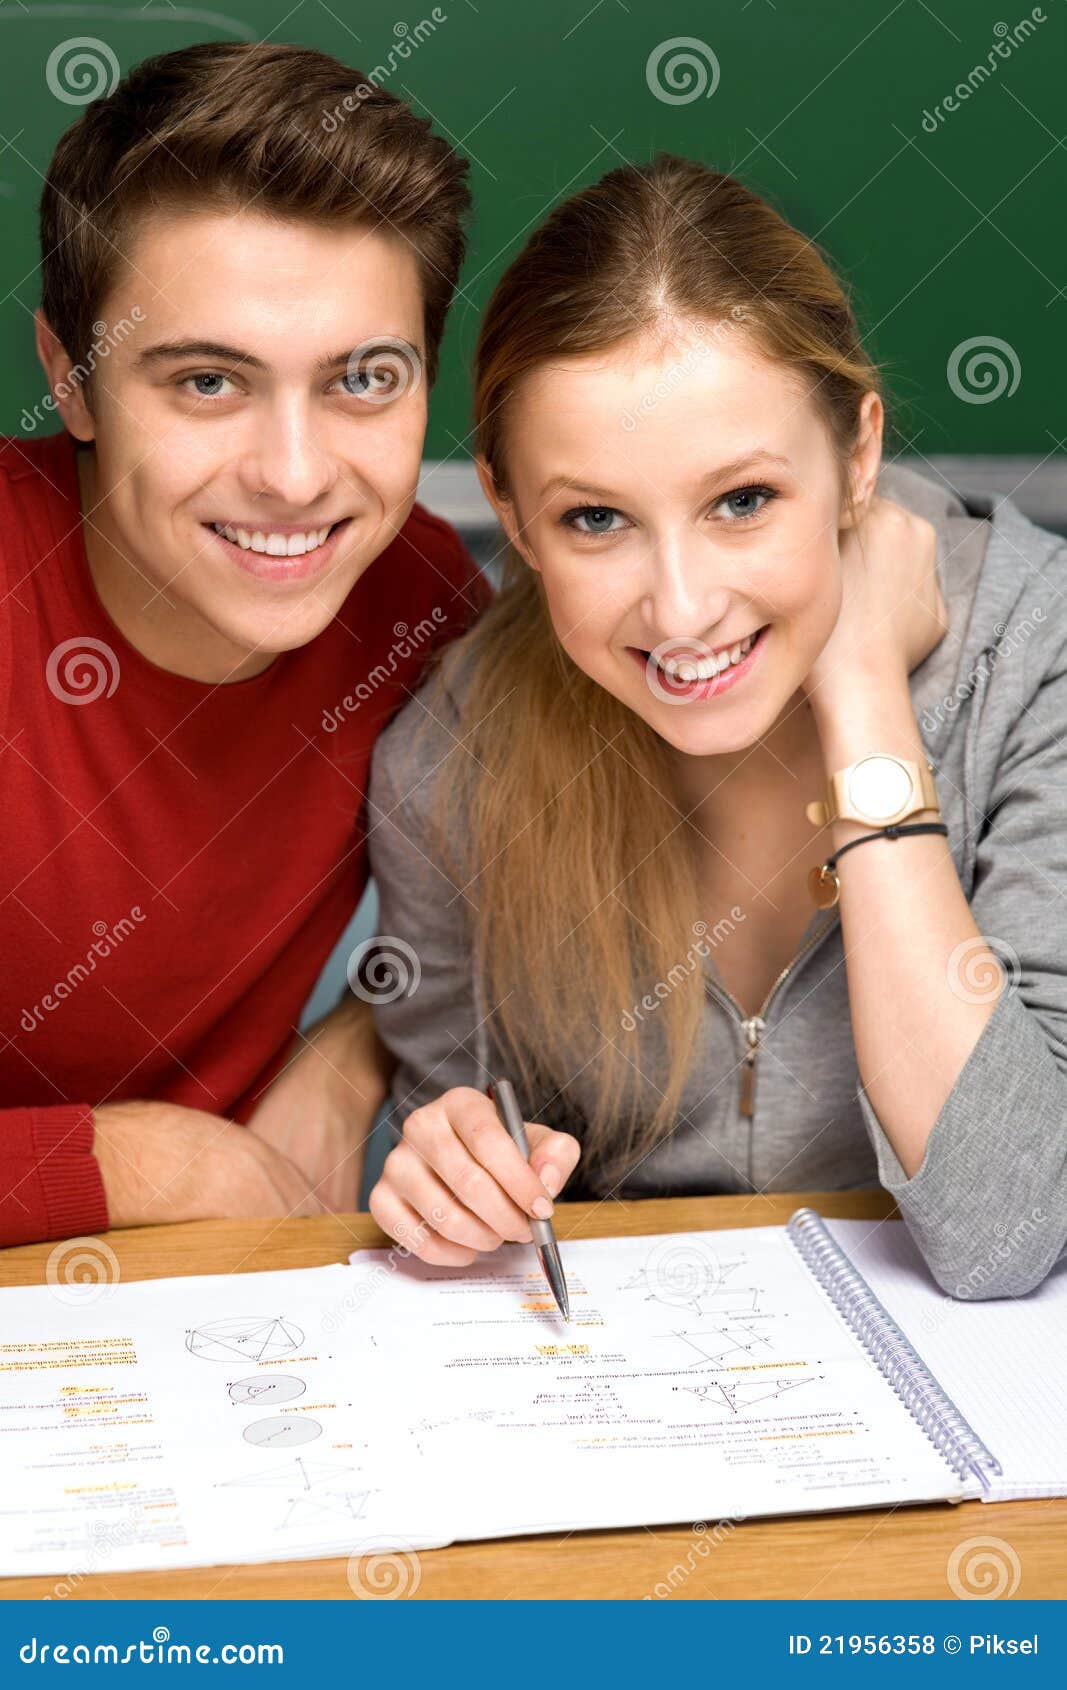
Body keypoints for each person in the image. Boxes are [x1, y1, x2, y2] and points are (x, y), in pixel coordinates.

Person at [364, 154, 1067, 1300]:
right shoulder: (453, 755)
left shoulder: (1038, 659)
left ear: (857, 456)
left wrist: (863, 698)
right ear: (512, 517)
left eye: (742, 501)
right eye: (594, 518)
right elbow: (473, 1161)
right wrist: (451, 1175)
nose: (681, 607)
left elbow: (1003, 1227)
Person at [0, 41, 490, 1246]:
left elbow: (512, 902)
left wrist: (349, 1058)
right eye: (209, 382)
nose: (294, 475)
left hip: (205, 1320)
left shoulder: (418, 601)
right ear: (70, 379)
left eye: (361, 380)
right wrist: (141, 1164)